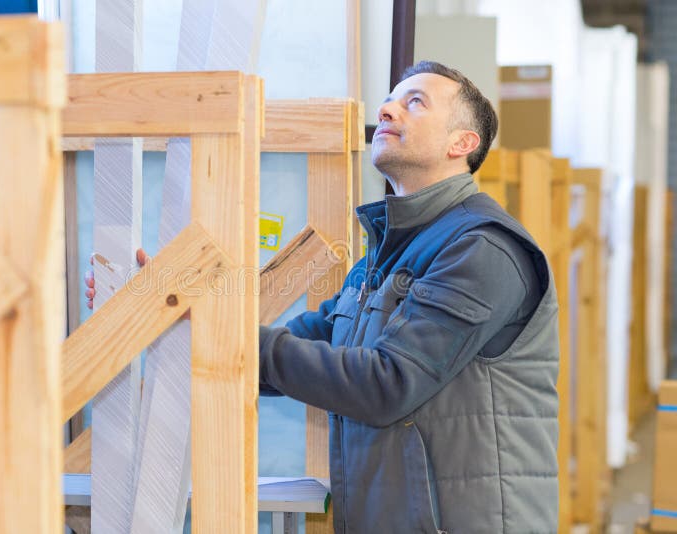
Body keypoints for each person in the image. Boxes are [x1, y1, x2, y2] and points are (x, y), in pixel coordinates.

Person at [87, 61, 559, 534]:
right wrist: (162, 311)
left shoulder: (482, 249)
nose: (389, 108)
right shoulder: (379, 262)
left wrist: (208, 322)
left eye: (415, 102)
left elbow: (386, 385)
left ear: (462, 144)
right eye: (392, 98)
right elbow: (283, 356)